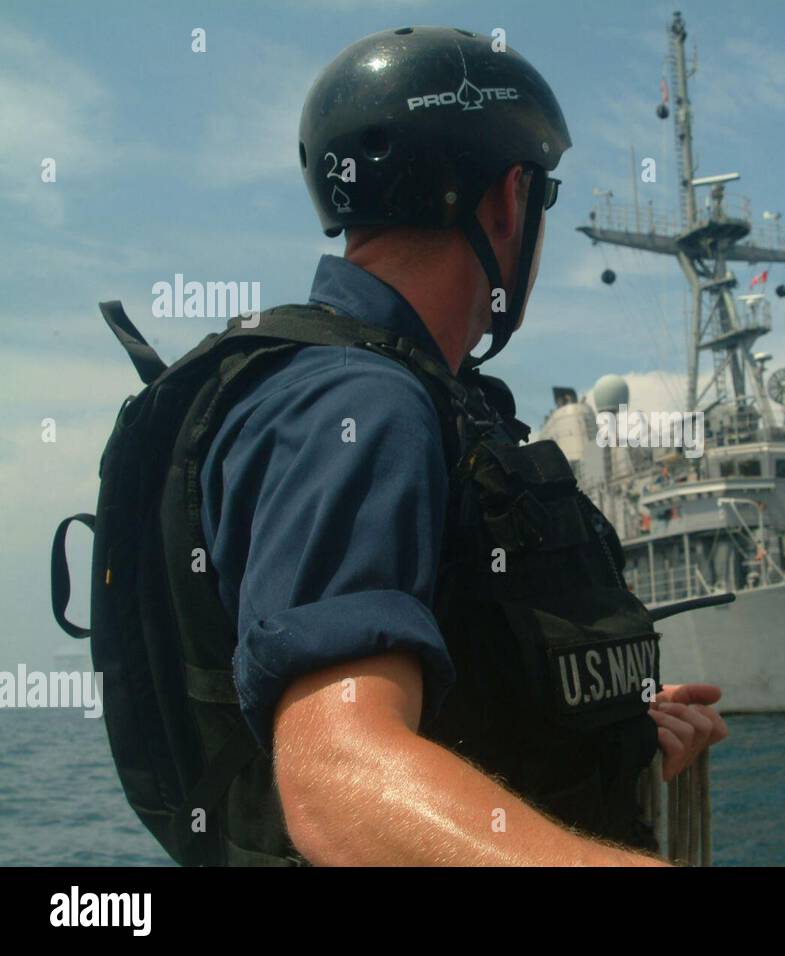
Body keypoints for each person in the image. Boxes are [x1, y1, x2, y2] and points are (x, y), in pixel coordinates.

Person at [195, 26, 726, 865]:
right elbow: (336, 773)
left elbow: (474, 709)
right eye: (539, 200)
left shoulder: (422, 402)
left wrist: (619, 736)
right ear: (508, 201)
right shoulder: (360, 403)